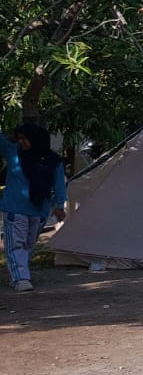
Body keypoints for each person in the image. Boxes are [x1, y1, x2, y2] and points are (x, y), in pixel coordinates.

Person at [1, 123, 67, 292]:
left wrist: (59, 206)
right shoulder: (12, 152)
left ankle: (20, 274)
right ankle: (21, 278)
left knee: (28, 245)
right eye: (19, 138)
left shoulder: (53, 161)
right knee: (16, 244)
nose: (20, 142)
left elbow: (59, 185)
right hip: (15, 209)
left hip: (39, 211)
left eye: (24, 138)